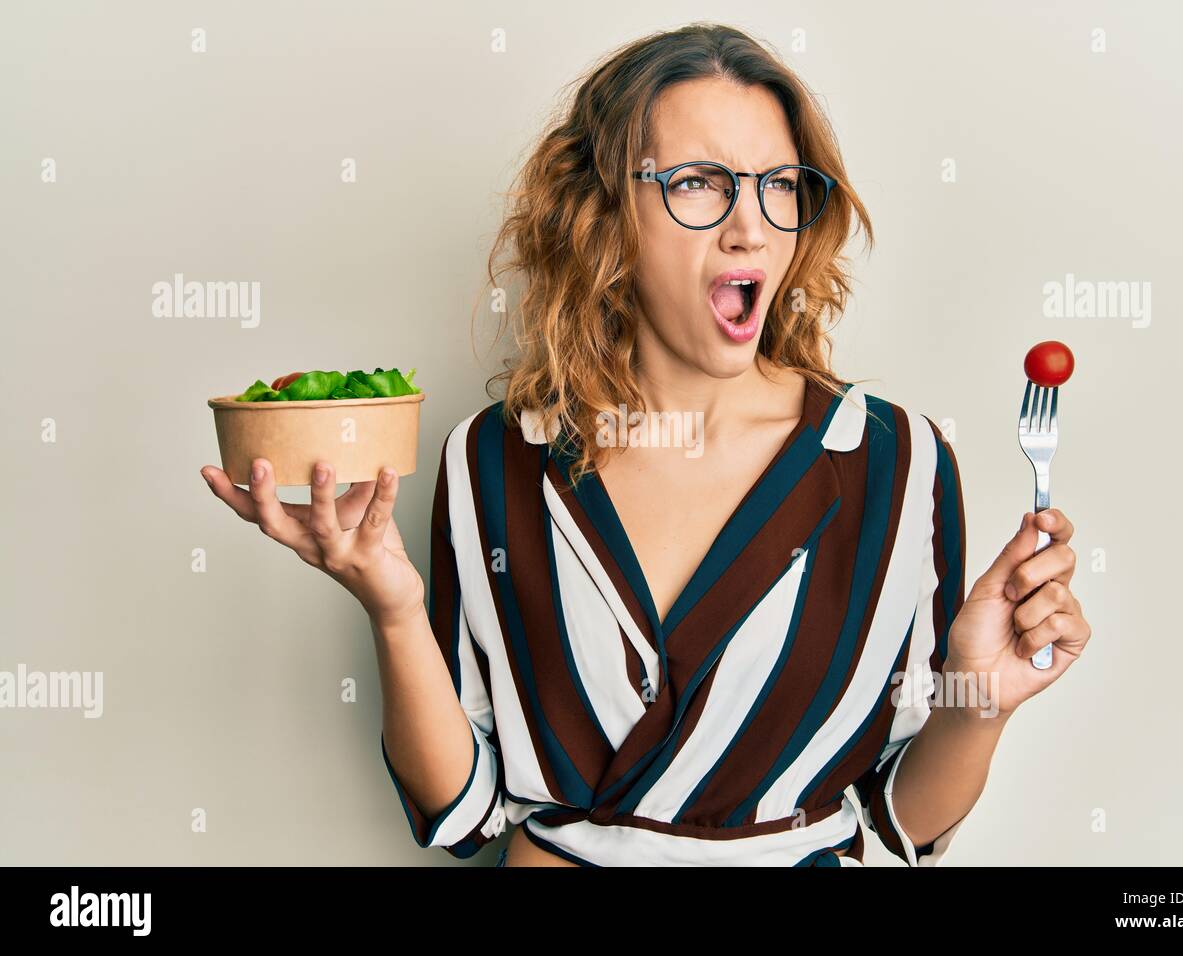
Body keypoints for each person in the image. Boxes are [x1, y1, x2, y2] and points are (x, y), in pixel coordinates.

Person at [200, 23, 1092, 867]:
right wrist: (390, 606)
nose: (751, 224)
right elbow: (460, 811)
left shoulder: (898, 461)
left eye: (780, 185)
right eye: (700, 182)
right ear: (603, 217)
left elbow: (899, 821)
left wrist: (982, 701)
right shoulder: (492, 458)